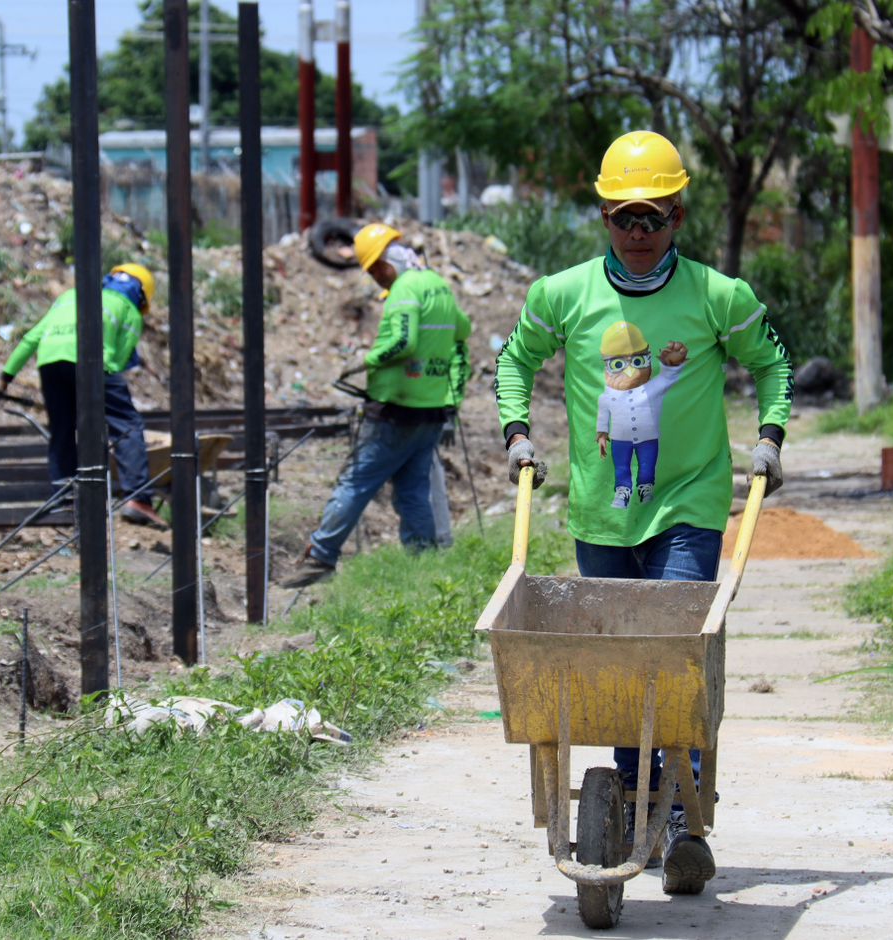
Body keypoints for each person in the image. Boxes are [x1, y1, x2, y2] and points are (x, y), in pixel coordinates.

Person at [494, 130, 792, 895]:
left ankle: (685, 819)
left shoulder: (718, 297)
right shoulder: (561, 296)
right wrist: (518, 433)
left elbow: (771, 363)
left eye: (652, 217)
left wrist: (769, 438)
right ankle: (632, 802)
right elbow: (515, 360)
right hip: (601, 513)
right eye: (623, 217)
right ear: (602, 216)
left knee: (673, 651)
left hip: (689, 502)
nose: (637, 233)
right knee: (620, 669)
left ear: (678, 216)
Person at [285, 223, 472, 587]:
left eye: (374, 270)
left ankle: (321, 556)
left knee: (356, 482)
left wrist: (367, 361)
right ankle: (423, 567)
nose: (375, 279)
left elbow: (404, 341)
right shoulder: (438, 286)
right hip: (430, 411)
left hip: (394, 410)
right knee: (414, 490)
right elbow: (463, 329)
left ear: (386, 262)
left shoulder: (403, 290)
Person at [0, 262, 168, 529]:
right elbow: (118, 361)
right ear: (142, 294)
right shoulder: (129, 309)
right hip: (93, 362)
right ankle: (138, 498)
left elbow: (31, 339)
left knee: (62, 428)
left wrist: (4, 379)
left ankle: (64, 498)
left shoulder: (68, 297)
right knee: (127, 426)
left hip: (50, 362)